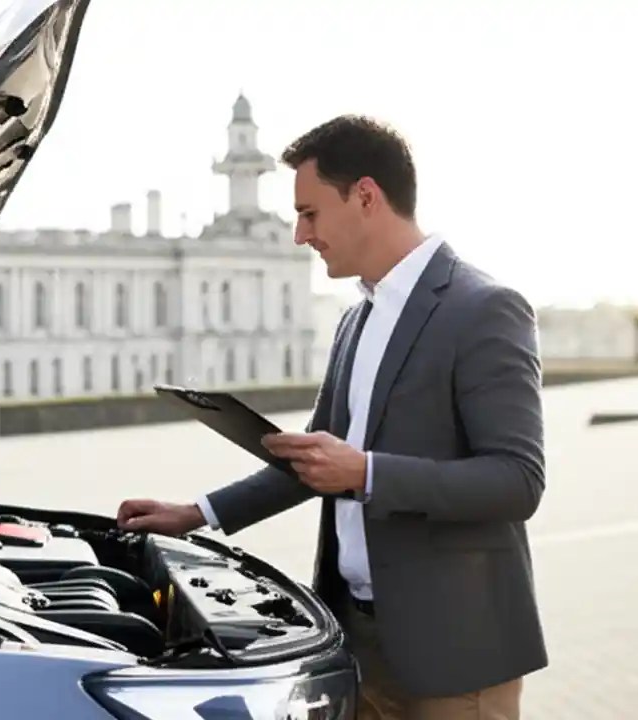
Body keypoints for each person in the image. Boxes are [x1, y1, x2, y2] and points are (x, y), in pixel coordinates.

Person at [116, 115, 547, 720]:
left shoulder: (484, 309)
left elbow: (517, 481)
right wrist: (195, 514)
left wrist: (366, 472)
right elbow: (316, 464)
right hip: (355, 642)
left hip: (456, 657)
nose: (298, 235)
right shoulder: (356, 317)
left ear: (366, 196)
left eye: (310, 213)